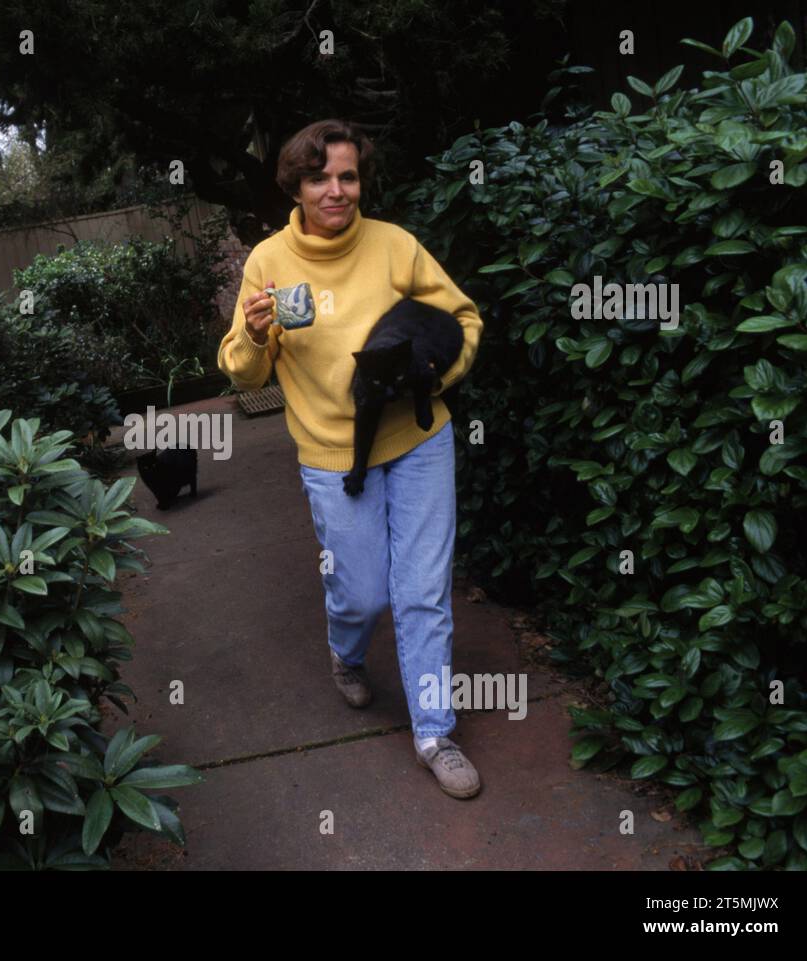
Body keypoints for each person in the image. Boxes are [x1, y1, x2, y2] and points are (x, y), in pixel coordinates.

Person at [217, 118, 484, 799]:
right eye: (319, 178)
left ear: (360, 181)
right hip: (336, 457)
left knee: (422, 590)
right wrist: (250, 337)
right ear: (297, 186)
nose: (335, 190)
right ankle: (348, 651)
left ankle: (433, 731)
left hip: (421, 440)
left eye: (347, 176)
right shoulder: (269, 262)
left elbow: (466, 320)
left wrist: (432, 377)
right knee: (364, 590)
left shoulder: (395, 245)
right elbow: (245, 375)